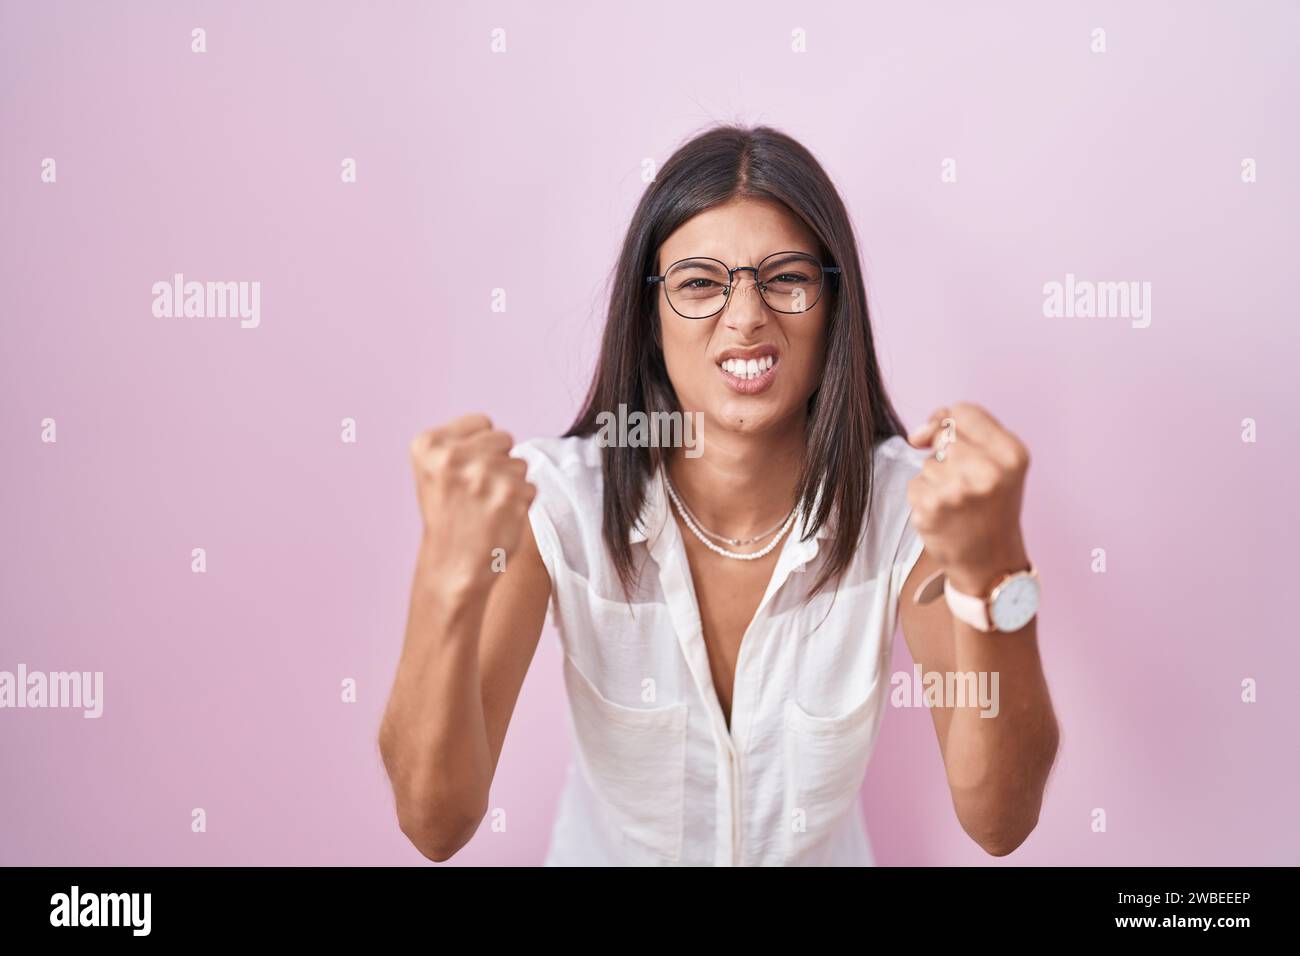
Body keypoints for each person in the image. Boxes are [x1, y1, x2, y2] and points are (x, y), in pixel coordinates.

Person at [379, 124, 1060, 866]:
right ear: (651, 317)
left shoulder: (909, 508)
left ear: (834, 306)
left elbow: (1001, 821)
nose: (745, 318)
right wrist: (444, 580)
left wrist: (994, 568)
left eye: (787, 277)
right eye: (700, 282)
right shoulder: (558, 505)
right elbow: (433, 824)